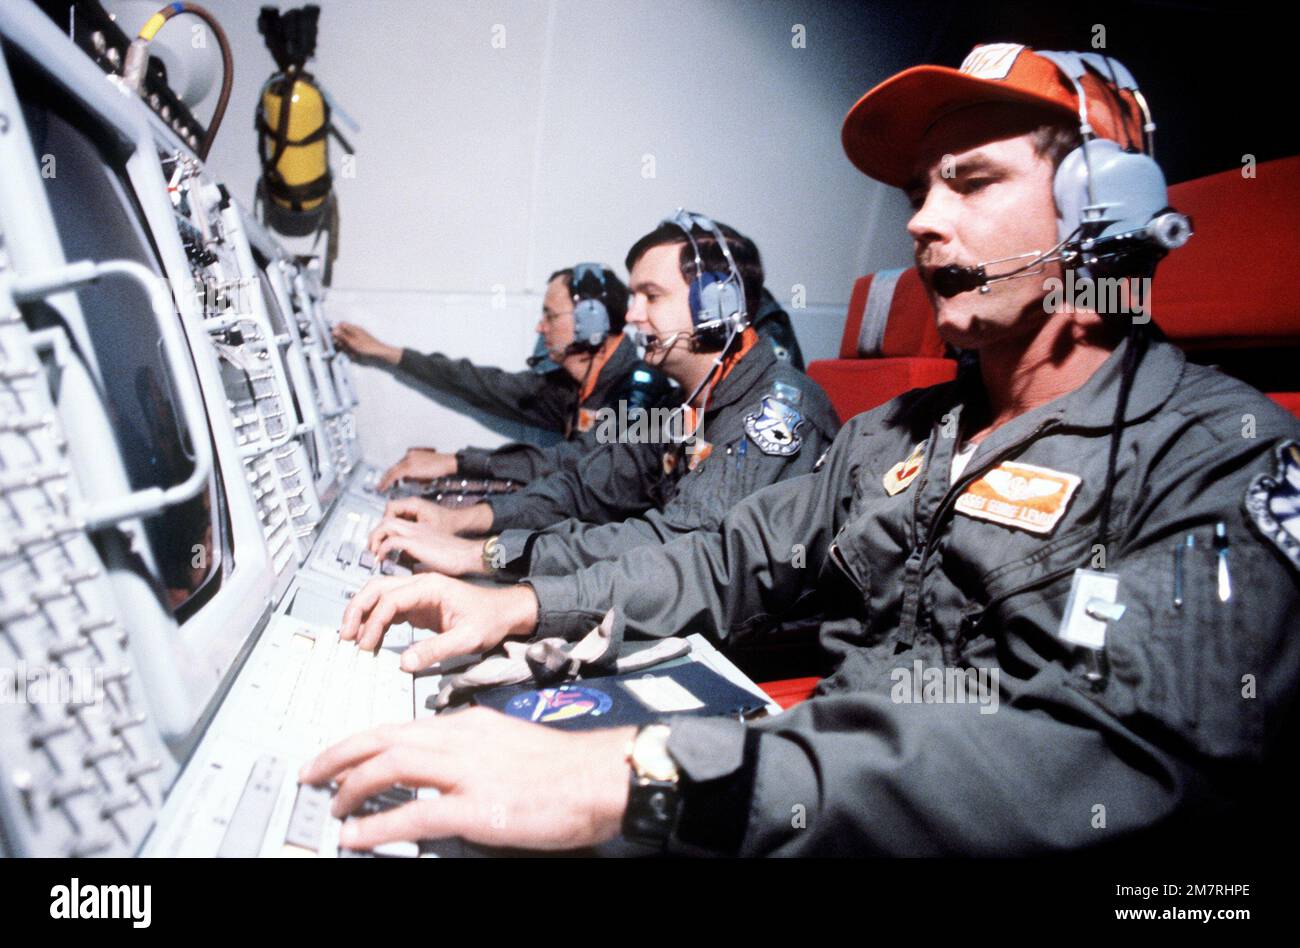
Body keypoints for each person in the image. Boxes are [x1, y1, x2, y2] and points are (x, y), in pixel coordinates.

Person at [301, 44, 1300, 856]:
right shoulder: (899, 436)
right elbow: (726, 552)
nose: (921, 219)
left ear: (1100, 219)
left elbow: (1108, 760)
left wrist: (651, 777)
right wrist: (516, 596)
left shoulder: (1221, 458)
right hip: (808, 793)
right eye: (918, 188)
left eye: (971, 181)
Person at [360, 213, 840, 580]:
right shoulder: (679, 408)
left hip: (757, 649)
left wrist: (482, 554)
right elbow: (588, 485)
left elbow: (679, 550)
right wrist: (461, 521)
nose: (630, 317)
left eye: (651, 296)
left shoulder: (776, 415)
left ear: (719, 307)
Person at [332, 265, 675, 487]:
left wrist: (456, 463)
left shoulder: (642, 394)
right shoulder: (574, 388)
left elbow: (581, 464)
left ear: (592, 323)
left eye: (550, 316)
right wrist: (386, 352)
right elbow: (480, 384)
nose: (540, 327)